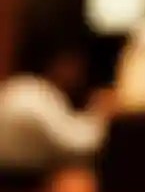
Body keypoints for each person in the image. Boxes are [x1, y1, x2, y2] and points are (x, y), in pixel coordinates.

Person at [0, 37, 113, 177]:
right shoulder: (33, 93)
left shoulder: (14, 88)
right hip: (24, 185)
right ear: (58, 62)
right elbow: (78, 145)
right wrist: (102, 113)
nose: (79, 72)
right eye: (73, 63)